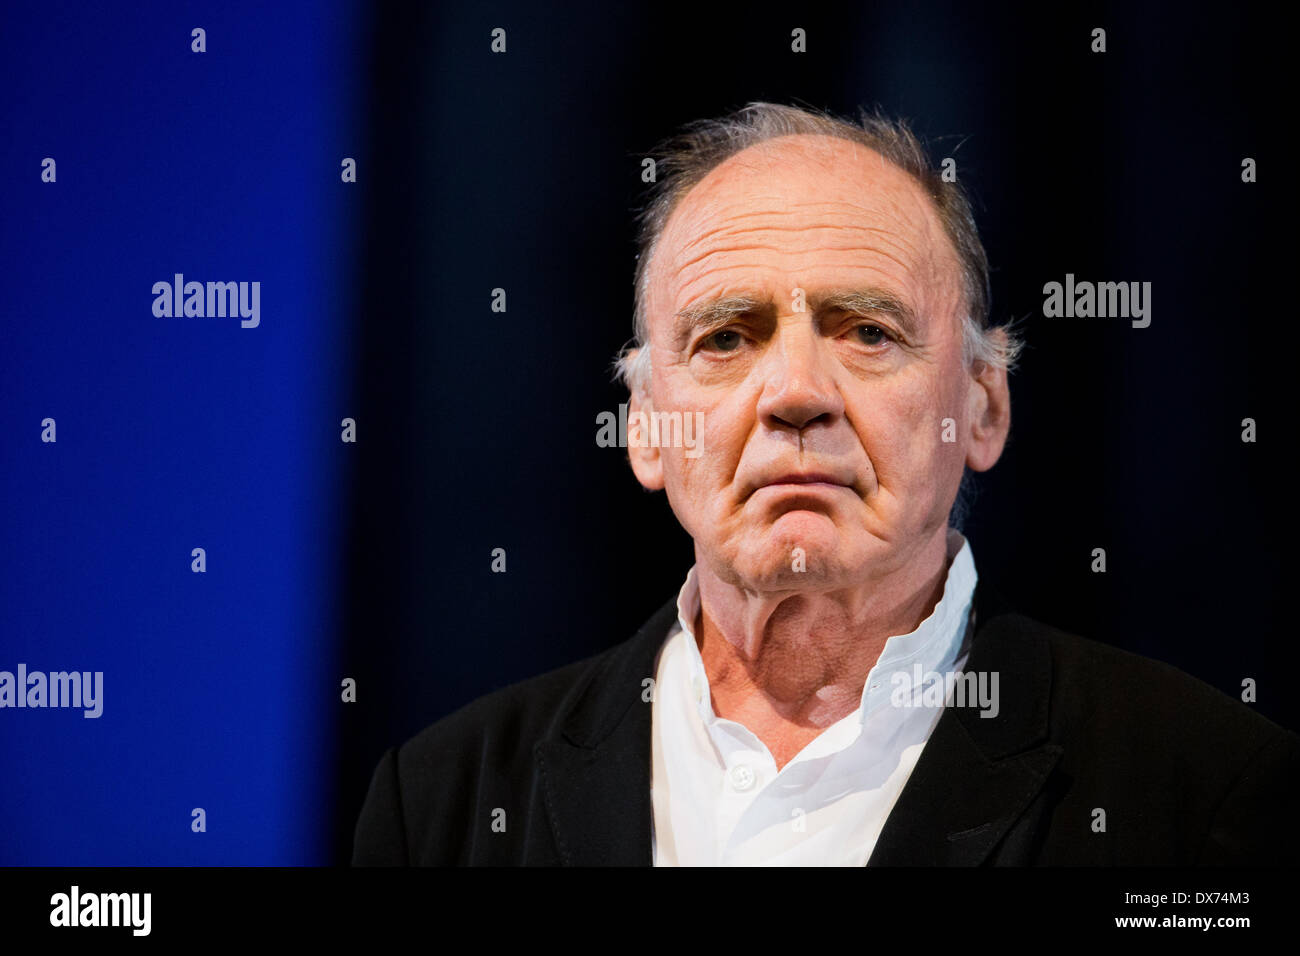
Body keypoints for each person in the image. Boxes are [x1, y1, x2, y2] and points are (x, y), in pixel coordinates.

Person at [353, 102, 1299, 866]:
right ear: (645, 426)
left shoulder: (1202, 795)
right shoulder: (443, 802)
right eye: (727, 336)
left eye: (867, 331)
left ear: (983, 407)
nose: (798, 392)